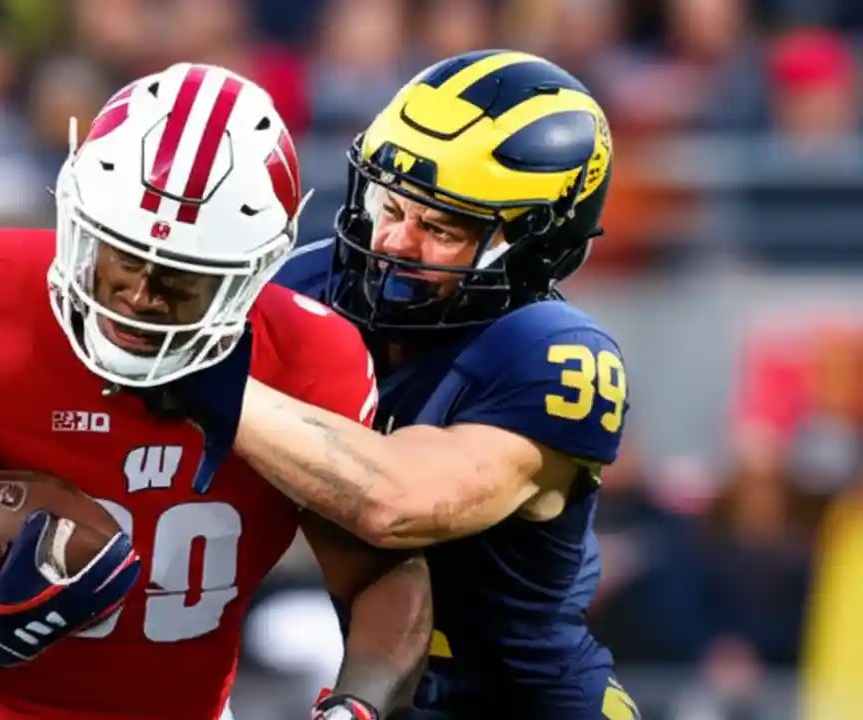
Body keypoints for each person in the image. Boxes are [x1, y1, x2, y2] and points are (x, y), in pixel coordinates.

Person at [0, 62, 431, 720]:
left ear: (248, 276)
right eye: (123, 255)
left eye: (179, 275)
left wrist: (355, 708)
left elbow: (381, 575)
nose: (139, 293)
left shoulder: (308, 361)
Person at [234, 50, 642, 719]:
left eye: (441, 228)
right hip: (385, 689)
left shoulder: (556, 353)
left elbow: (396, 504)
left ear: (535, 245)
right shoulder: (308, 287)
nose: (395, 241)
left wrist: (207, 380)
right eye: (390, 204)